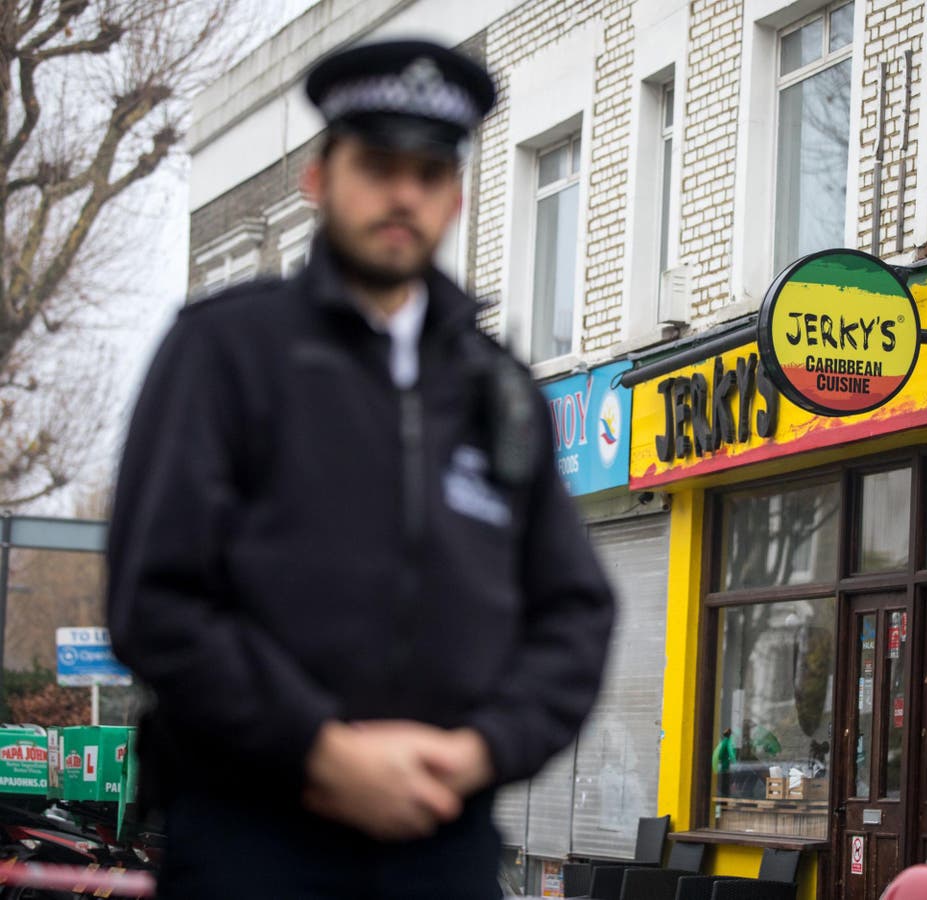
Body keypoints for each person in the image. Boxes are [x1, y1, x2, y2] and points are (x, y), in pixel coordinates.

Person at [106, 38, 615, 899]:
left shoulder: (497, 387)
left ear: (455, 197)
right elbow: (155, 600)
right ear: (319, 178)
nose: (402, 194)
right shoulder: (224, 351)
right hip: (252, 844)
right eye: (377, 165)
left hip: (442, 848)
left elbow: (575, 614)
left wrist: (481, 750)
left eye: (429, 173)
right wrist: (318, 750)